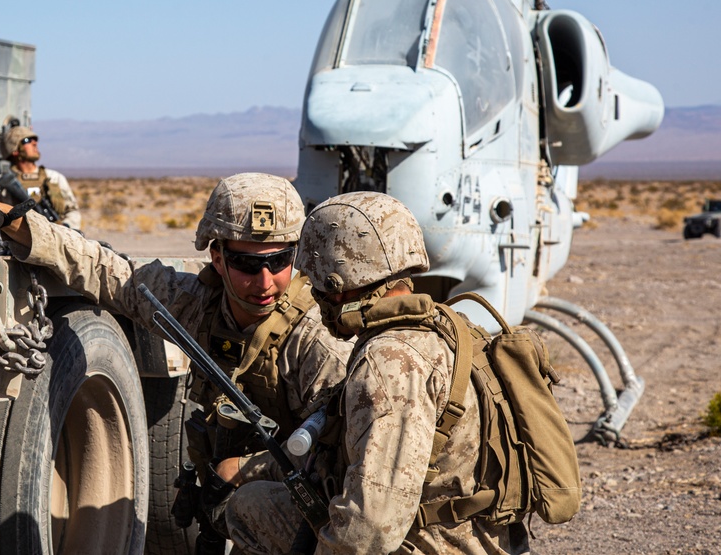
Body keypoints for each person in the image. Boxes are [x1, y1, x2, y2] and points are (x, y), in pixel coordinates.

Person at [0, 172, 353, 551]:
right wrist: (9, 220)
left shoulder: (315, 341)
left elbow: (343, 454)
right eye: (247, 264)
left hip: (319, 510)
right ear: (217, 257)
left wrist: (245, 469)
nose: (265, 281)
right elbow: (108, 272)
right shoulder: (198, 306)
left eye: (279, 261)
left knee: (249, 505)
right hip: (244, 487)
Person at [222, 191, 527, 555]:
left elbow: (369, 532)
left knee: (250, 506)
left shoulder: (388, 362)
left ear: (336, 283)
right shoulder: (444, 330)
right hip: (482, 539)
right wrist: (255, 466)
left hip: (436, 546)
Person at [0, 125, 83, 229]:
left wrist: (65, 227)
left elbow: (73, 211)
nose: (35, 143)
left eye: (35, 139)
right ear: (14, 150)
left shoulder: (54, 178)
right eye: (27, 140)